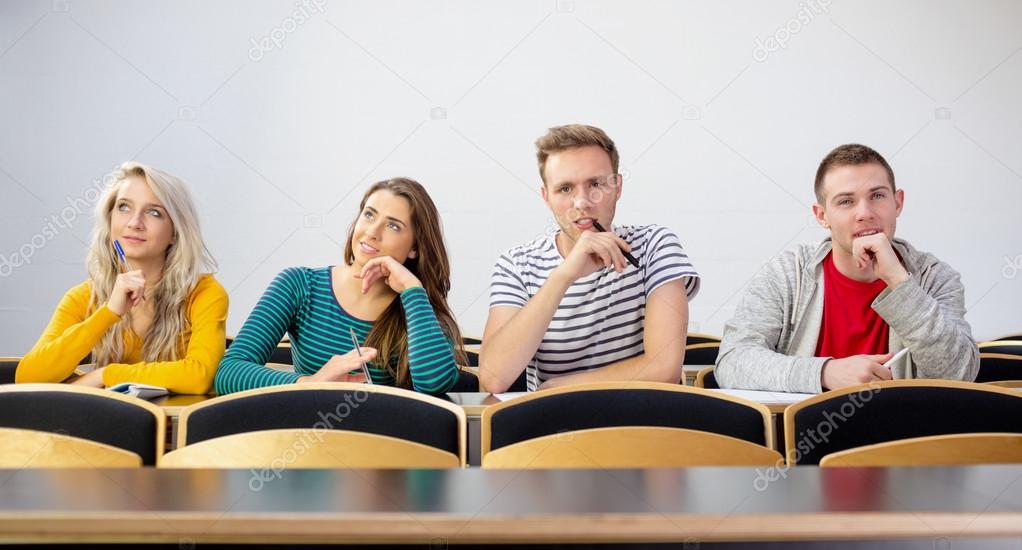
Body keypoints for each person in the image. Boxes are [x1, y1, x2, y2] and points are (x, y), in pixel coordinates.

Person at [715, 143, 979, 392]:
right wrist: (825, 372)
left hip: (902, 424)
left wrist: (900, 282)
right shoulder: (786, 274)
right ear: (822, 216)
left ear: (897, 203)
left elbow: (958, 374)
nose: (864, 213)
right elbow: (732, 361)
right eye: (845, 201)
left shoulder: (935, 277)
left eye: (877, 196)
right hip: (808, 424)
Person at [480, 124, 700, 392]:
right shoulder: (517, 264)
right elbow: (494, 379)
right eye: (565, 189)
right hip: (553, 419)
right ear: (546, 197)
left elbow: (664, 368)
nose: (582, 202)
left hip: (638, 416)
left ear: (617, 187)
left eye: (595, 184)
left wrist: (559, 387)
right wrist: (564, 275)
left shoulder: (654, 246)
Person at [214, 177, 466, 395]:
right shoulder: (300, 285)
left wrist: (412, 288)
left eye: (393, 226)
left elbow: (434, 385)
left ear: (415, 248)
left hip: (382, 434)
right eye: (369, 215)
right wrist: (311, 382)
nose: (372, 232)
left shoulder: (419, 308)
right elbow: (229, 371)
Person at [17, 162, 227, 394]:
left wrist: (105, 375)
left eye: (154, 212)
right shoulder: (83, 297)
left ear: (175, 233)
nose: (134, 223)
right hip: (104, 418)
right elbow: (28, 378)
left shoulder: (204, 293)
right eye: (124, 207)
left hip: (177, 419)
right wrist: (108, 313)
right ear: (109, 220)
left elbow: (200, 377)